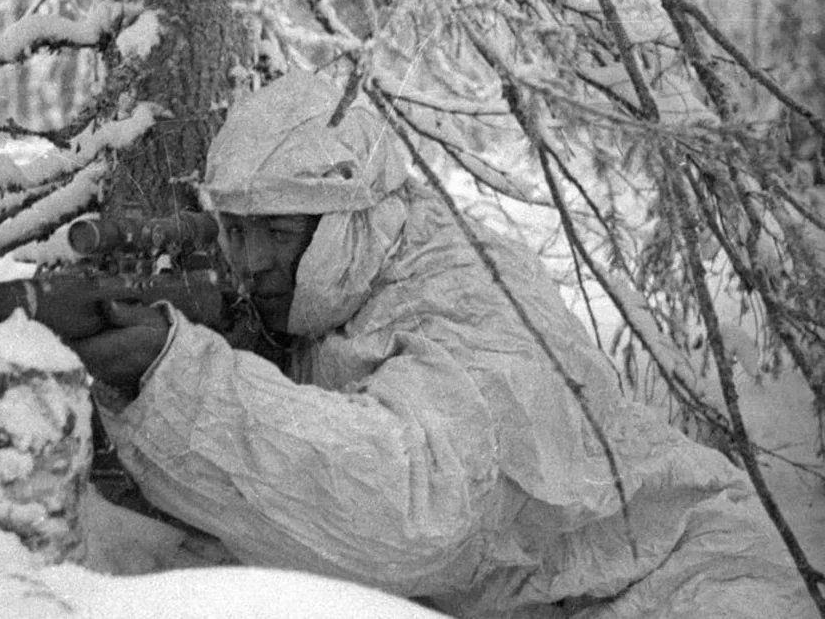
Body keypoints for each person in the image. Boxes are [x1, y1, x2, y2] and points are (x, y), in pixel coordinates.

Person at [69, 71, 811, 617]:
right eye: (235, 229)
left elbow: (414, 510)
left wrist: (175, 378)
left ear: (351, 223)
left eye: (280, 231)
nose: (251, 258)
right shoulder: (329, 296)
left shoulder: (461, 288)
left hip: (683, 576)